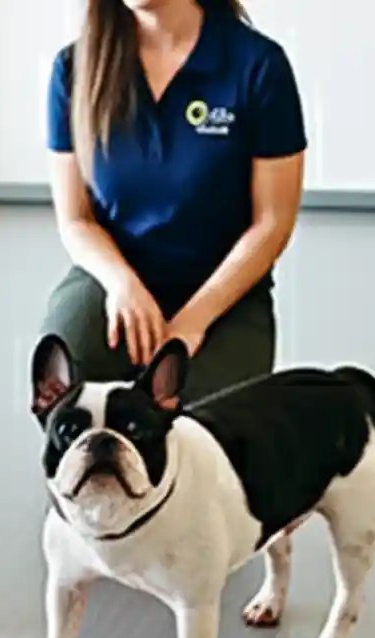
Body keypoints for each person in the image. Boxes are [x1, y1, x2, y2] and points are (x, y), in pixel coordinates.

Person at [41, 0, 306, 402]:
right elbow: (76, 220)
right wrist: (123, 286)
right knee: (68, 382)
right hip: (115, 278)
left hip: (223, 292)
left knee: (207, 430)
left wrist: (194, 321)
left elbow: (272, 223)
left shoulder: (259, 66)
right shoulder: (74, 70)